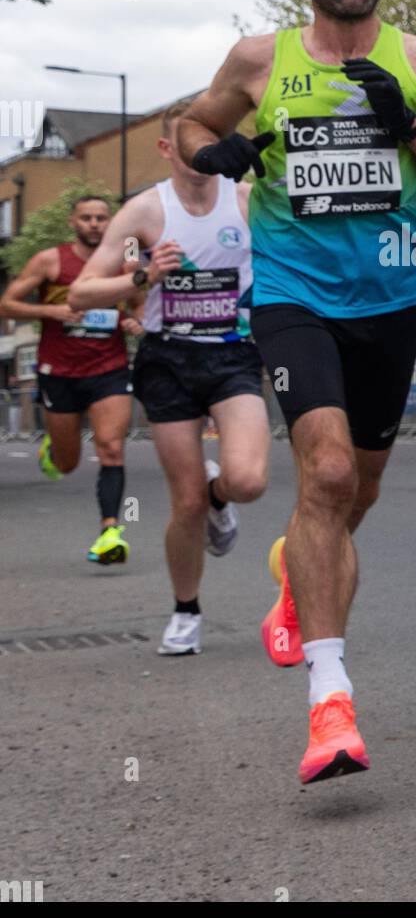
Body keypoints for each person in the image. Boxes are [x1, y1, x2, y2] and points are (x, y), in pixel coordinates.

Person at [176, 0, 416, 781]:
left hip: (391, 294)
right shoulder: (258, 61)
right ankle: (330, 700)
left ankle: (292, 574)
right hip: (292, 291)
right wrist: (212, 152)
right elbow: (192, 123)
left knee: (358, 493)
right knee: (330, 471)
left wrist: (410, 127)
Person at [69, 103, 270, 655]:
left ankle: (219, 493)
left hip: (232, 355)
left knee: (248, 480)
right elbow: (81, 294)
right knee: (184, 504)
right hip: (167, 359)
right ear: (166, 150)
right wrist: (144, 273)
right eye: (191, 145)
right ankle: (186, 611)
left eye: (214, 142)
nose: (204, 154)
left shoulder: (249, 202)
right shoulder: (142, 214)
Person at [0, 195, 140, 563]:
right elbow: (7, 304)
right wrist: (54, 311)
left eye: (101, 218)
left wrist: (133, 319)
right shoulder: (50, 260)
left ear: (110, 223)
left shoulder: (122, 263)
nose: (94, 224)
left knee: (110, 447)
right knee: (67, 463)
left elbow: (137, 302)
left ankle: (110, 531)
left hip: (109, 367)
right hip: (59, 371)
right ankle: (54, 449)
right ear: (72, 222)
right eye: (87, 218)